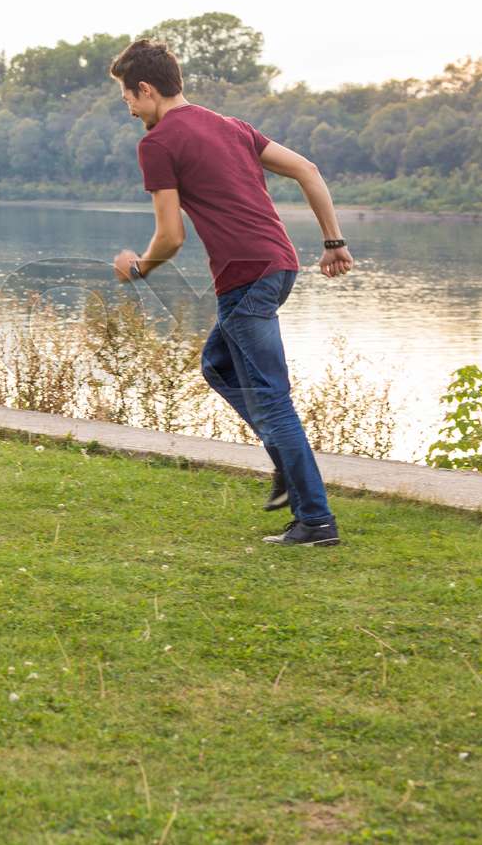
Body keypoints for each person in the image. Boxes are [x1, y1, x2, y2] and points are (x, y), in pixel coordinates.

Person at [107, 39, 355, 547]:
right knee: (217, 366)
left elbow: (170, 237)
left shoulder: (157, 144)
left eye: (127, 96)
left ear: (146, 89)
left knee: (272, 400)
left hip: (245, 278)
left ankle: (315, 521)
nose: (128, 108)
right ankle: (286, 459)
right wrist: (334, 242)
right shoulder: (231, 126)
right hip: (279, 266)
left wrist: (138, 268)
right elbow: (307, 169)